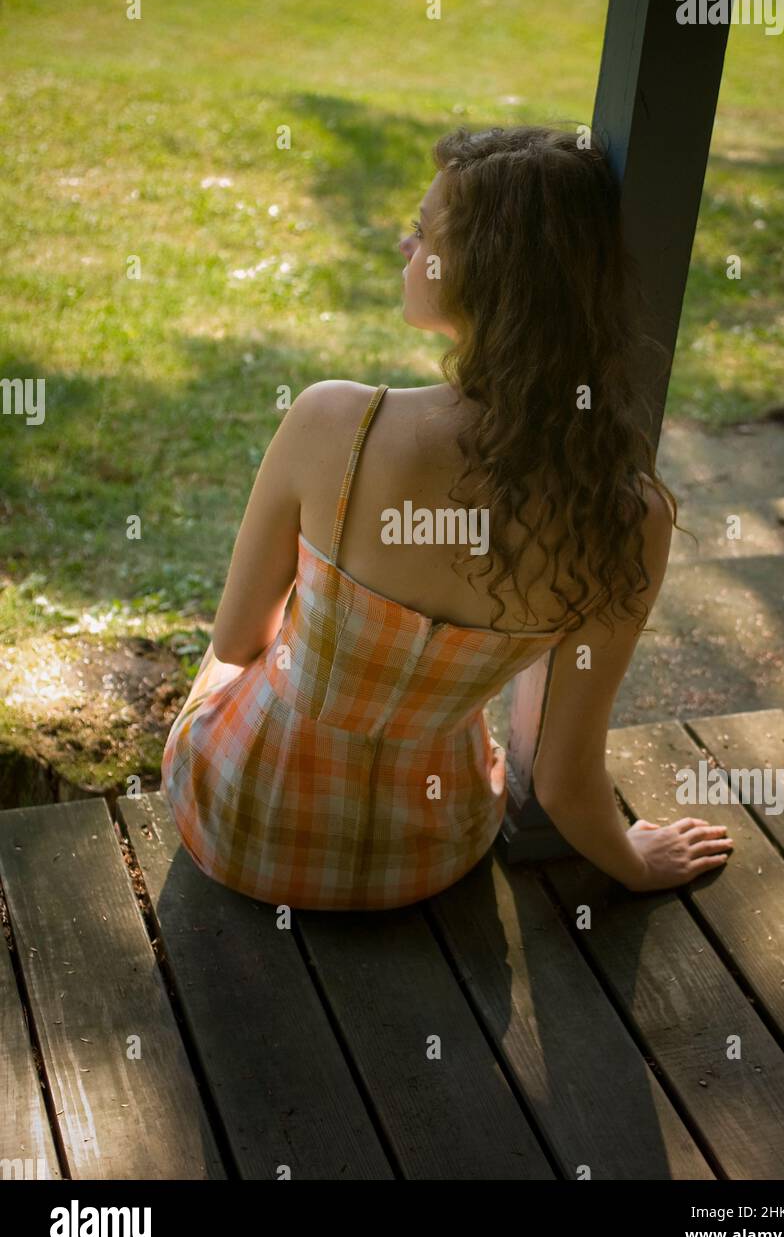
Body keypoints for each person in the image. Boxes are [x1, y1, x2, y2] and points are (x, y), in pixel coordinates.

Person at [160, 124, 733, 909]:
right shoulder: (630, 516)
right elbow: (564, 780)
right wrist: (633, 863)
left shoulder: (336, 422)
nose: (405, 243)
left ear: (483, 273)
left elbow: (235, 642)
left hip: (239, 823)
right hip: (427, 852)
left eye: (424, 232)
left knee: (225, 667)